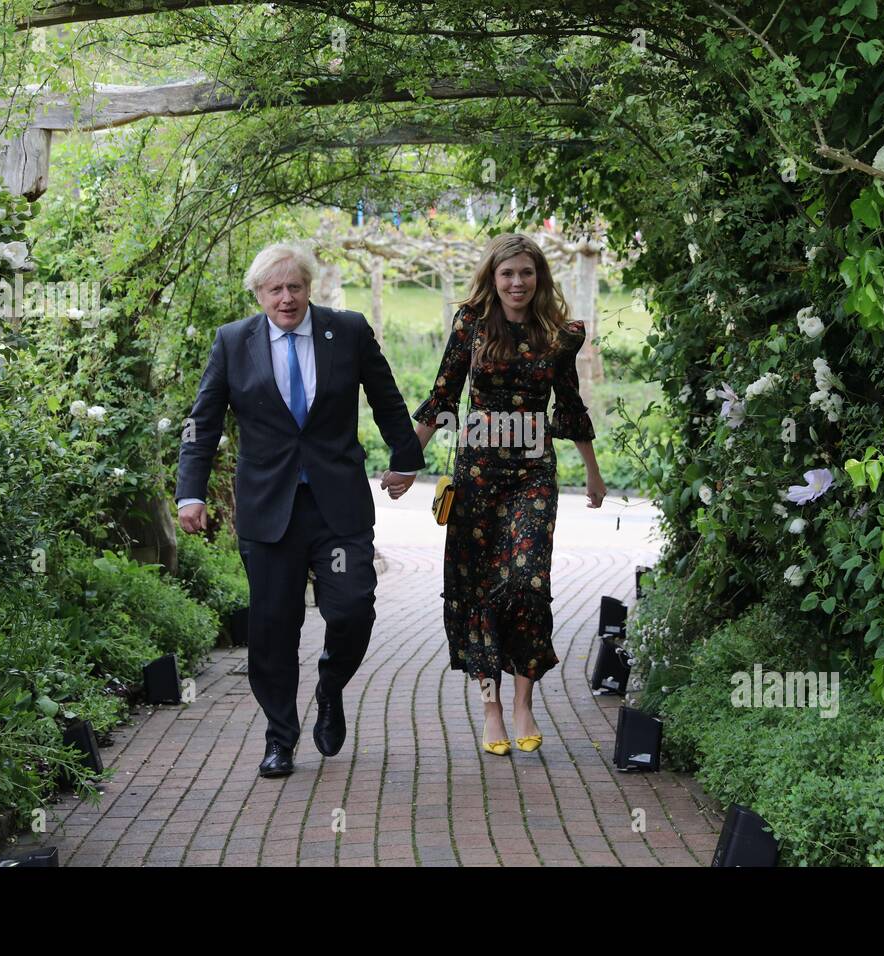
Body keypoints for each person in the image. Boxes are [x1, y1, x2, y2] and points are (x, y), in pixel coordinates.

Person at [175, 243, 424, 778]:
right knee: (272, 627)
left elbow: (386, 398)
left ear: (310, 287)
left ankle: (330, 687)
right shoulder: (234, 342)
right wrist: (190, 492)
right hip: (270, 513)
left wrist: (406, 457)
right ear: (259, 294)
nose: (286, 298)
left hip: (335, 509)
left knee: (353, 607)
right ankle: (280, 737)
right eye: (275, 289)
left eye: (295, 286)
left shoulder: (348, 331)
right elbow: (203, 422)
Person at [411, 233, 606, 756]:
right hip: (477, 473)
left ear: (538, 277)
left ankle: (524, 702)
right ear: (492, 279)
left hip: (532, 473)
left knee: (524, 581)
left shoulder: (560, 335)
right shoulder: (470, 327)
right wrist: (408, 463)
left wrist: (592, 471)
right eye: (507, 274)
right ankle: (492, 708)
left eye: (526, 273)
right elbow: (443, 395)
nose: (517, 283)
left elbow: (569, 404)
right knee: (478, 586)